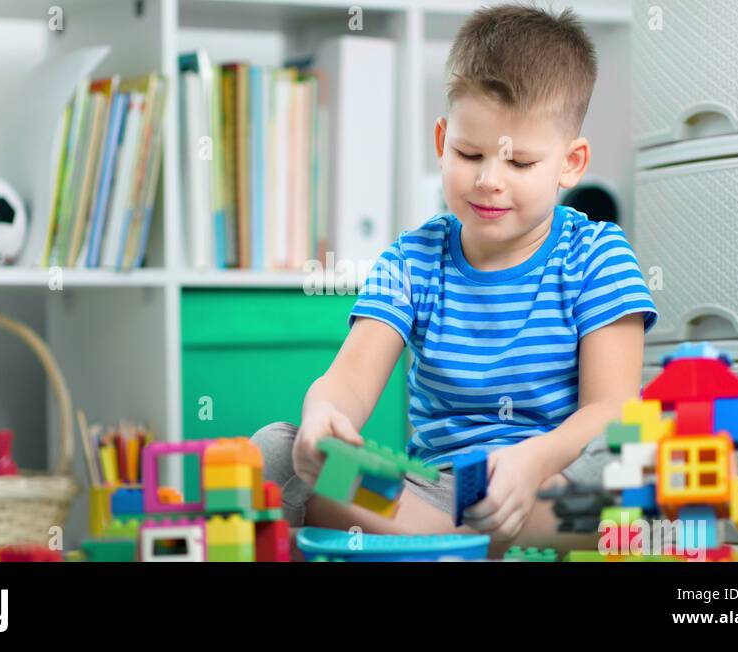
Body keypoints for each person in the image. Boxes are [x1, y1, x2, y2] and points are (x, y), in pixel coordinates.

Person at [252, 3, 657, 558]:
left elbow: (609, 409)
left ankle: (430, 546)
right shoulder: (411, 261)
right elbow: (346, 384)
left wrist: (532, 460)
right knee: (275, 452)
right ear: (442, 140)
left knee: (637, 457)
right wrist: (322, 416)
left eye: (520, 164)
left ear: (571, 163)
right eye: (470, 154)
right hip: (434, 491)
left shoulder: (599, 255)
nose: (490, 181)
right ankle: (461, 541)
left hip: (551, 482)